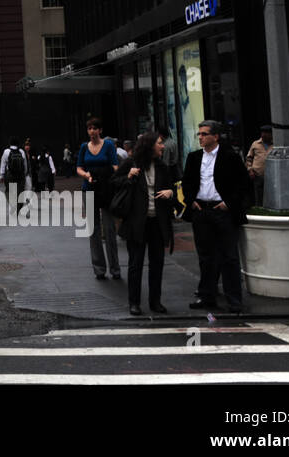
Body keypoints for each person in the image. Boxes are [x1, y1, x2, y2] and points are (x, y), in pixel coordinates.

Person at [183, 120, 250, 314]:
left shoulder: (230, 157)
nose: (201, 137)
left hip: (223, 212)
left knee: (229, 257)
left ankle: (234, 300)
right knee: (206, 257)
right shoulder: (194, 157)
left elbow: (243, 184)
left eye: (204, 134)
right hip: (201, 211)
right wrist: (191, 200)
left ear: (215, 136)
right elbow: (187, 181)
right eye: (199, 134)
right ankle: (207, 295)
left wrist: (229, 203)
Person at [112, 131, 176, 315]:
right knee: (135, 264)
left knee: (157, 264)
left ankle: (155, 301)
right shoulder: (132, 164)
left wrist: (170, 193)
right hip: (136, 223)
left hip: (158, 222)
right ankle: (134, 302)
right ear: (149, 146)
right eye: (159, 143)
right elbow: (114, 182)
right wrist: (128, 177)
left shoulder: (163, 167)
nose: (163, 146)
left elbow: (171, 187)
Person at [76, 118, 122, 280]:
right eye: (89, 128)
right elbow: (79, 168)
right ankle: (99, 269)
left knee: (109, 228)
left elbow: (115, 165)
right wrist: (87, 175)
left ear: (100, 130)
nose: (92, 131)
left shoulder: (108, 145)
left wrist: (109, 175)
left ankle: (115, 268)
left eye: (95, 128)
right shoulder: (83, 147)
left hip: (106, 189)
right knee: (93, 230)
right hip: (88, 189)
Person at [245, 125, 274, 208]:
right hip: (258, 174)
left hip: (272, 175)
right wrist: (250, 170)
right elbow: (248, 159)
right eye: (262, 133)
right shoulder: (256, 144)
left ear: (271, 134)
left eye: (266, 133)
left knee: (271, 194)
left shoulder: (275, 144)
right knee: (259, 194)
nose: (263, 135)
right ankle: (259, 209)